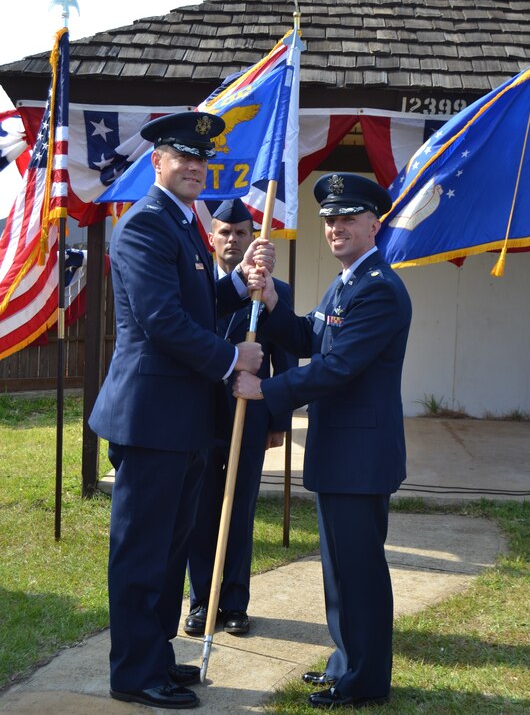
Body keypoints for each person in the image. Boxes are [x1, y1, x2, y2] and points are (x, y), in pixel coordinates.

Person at [88, 112, 273, 710]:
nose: (196, 166)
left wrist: (236, 282)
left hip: (183, 417)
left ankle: (156, 658)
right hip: (152, 417)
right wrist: (233, 357)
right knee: (144, 551)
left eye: (203, 159)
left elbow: (192, 303)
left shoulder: (186, 222)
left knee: (170, 548)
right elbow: (162, 322)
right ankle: (133, 673)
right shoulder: (145, 225)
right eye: (183, 157)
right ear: (157, 162)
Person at [233, 173, 412, 709]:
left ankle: (364, 681)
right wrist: (267, 304)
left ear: (374, 224)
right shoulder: (349, 281)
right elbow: (312, 335)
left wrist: (265, 391)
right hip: (342, 451)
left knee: (359, 570)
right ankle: (346, 661)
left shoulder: (379, 288)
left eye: (347, 218)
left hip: (361, 455)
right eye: (330, 220)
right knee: (341, 568)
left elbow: (337, 368)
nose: (335, 227)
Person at [185, 198, 296, 637]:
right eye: (225, 233)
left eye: (242, 233)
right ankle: (201, 602)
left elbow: (286, 359)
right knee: (201, 508)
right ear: (210, 237)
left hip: (249, 415)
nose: (233, 240)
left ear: (254, 238)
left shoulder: (274, 291)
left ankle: (234, 603)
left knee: (239, 508)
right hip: (198, 415)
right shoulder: (196, 290)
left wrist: (279, 422)